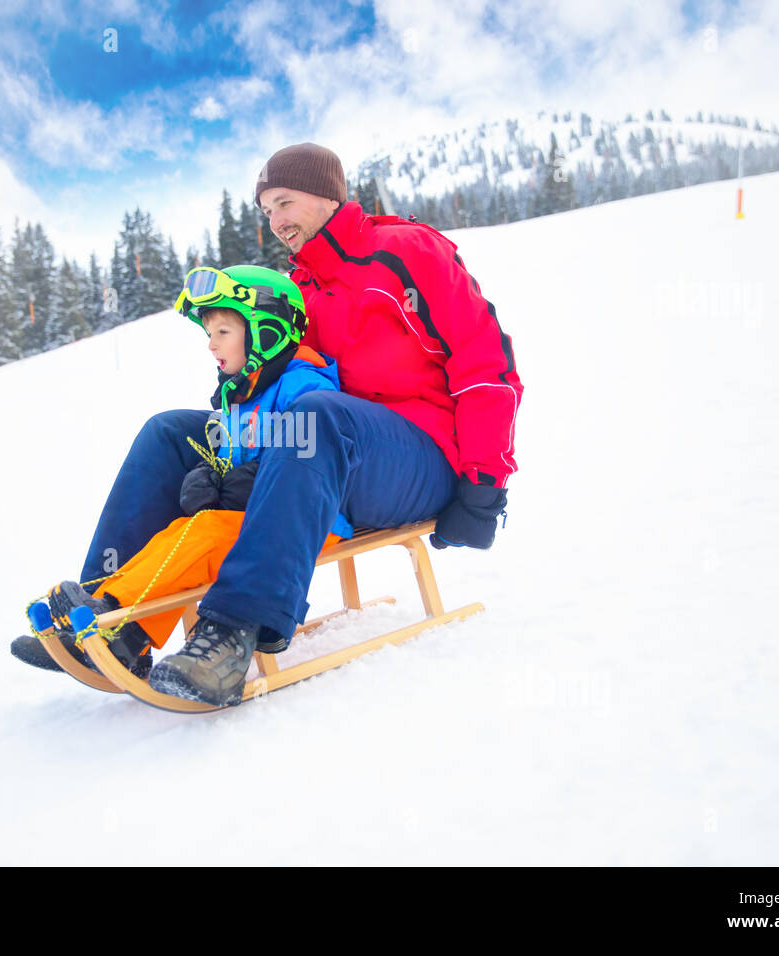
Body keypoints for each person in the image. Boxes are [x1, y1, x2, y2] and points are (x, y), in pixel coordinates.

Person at [70, 142, 523, 707]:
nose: (277, 221)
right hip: (330, 458)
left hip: (423, 455)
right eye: (266, 211)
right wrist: (236, 465)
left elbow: (485, 364)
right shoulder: (298, 291)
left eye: (285, 202)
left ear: (328, 194)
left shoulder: (405, 251)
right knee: (174, 433)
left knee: (318, 418)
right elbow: (271, 393)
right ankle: (104, 613)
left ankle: (232, 633)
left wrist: (484, 484)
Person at [11, 265, 352, 695]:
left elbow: (303, 461)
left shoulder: (305, 387)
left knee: (202, 534)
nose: (211, 345)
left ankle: (113, 615)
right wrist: (208, 478)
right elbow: (230, 455)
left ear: (266, 332)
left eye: (223, 331)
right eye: (209, 333)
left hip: (307, 526)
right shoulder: (241, 395)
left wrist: (245, 483)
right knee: (183, 530)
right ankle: (125, 634)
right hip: (248, 522)